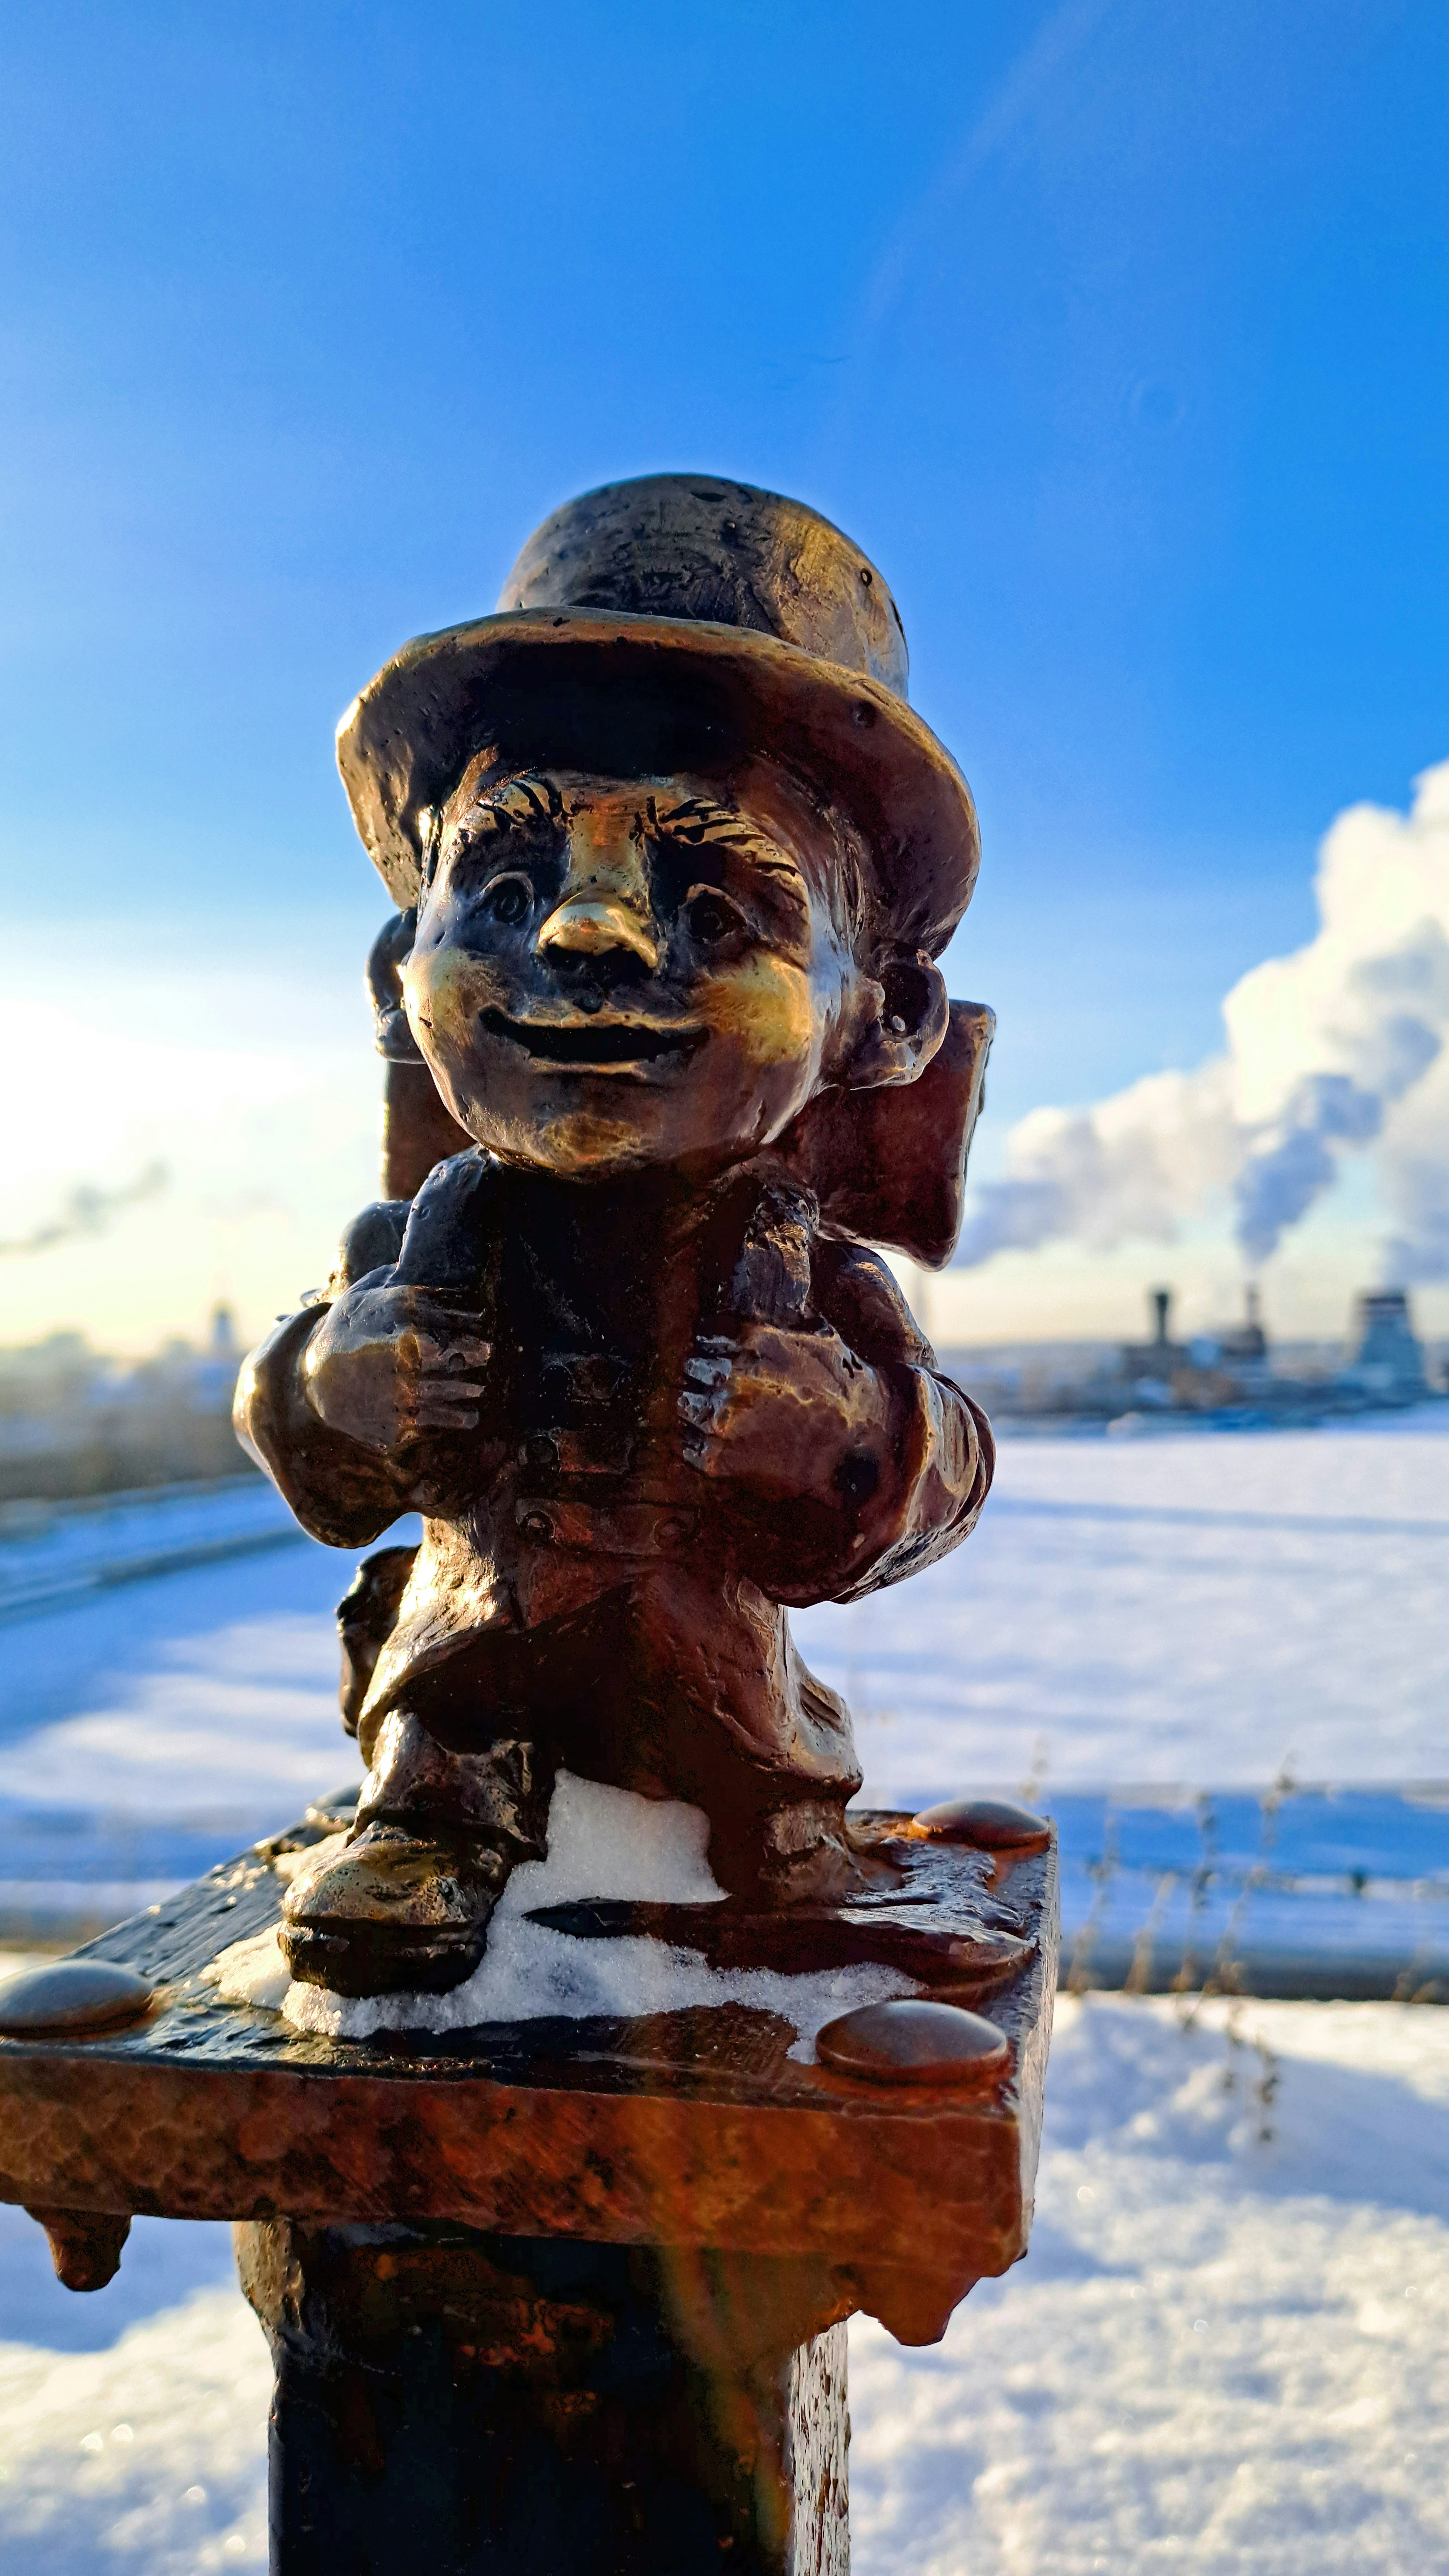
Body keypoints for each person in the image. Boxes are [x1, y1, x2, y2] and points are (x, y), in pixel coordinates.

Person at [237, 474, 994, 1996]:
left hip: (707, 1664)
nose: (586, 934)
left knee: (752, 1784)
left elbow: (946, 1464)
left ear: (883, 1014)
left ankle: (771, 1842)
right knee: (443, 1716)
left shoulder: (805, 1270)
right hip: (479, 1635)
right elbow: (291, 1405)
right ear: (404, 971)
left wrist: (845, 1429)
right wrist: (334, 1388)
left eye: (718, 910)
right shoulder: (428, 1232)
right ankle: (436, 1819)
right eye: (506, 889)